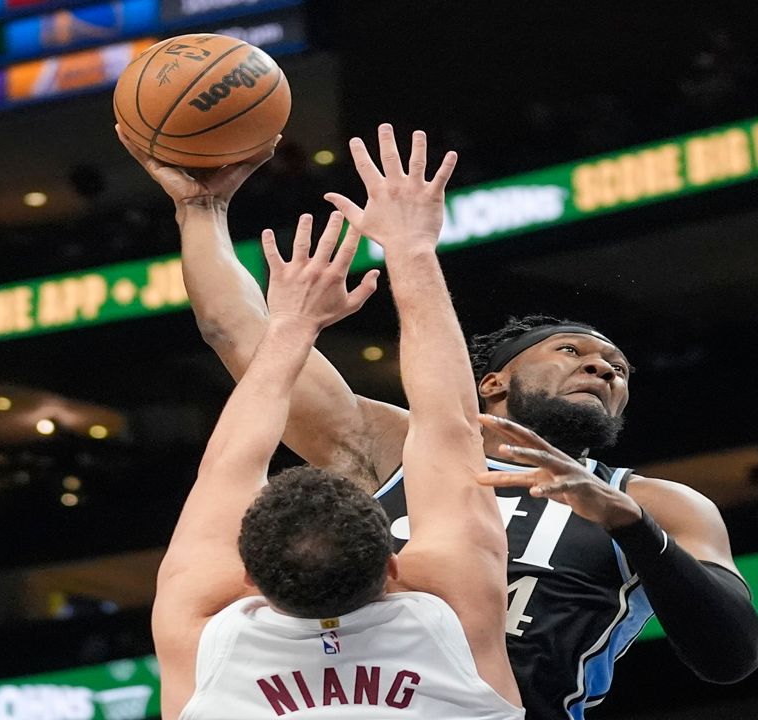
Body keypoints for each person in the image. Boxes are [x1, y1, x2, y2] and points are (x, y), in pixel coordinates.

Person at [123, 123, 758, 718]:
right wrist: (202, 212)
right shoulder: (394, 445)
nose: (603, 369)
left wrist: (634, 527)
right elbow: (239, 335)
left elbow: (731, 658)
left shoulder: (655, 504)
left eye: (617, 367)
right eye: (573, 351)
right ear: (491, 382)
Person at [150, 147, 523, 720]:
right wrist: (412, 248)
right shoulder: (451, 613)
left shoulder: (201, 636)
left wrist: (292, 327)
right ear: (395, 566)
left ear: (246, 578)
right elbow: (449, 427)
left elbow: (228, 462)